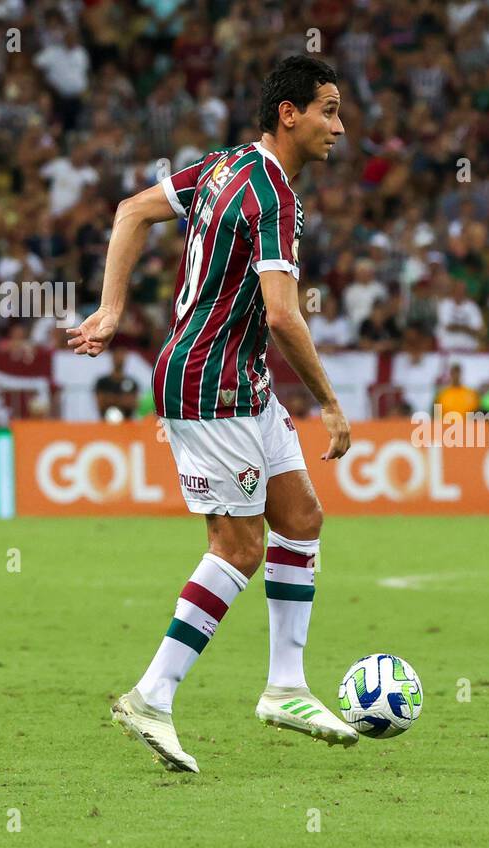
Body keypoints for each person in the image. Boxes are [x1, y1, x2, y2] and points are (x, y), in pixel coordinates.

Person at [67, 55, 357, 770]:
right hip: (209, 383)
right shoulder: (276, 199)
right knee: (238, 548)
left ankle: (285, 687)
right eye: (328, 110)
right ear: (288, 113)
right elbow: (285, 316)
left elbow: (131, 210)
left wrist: (111, 309)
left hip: (241, 380)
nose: (340, 128)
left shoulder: (226, 165)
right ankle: (152, 696)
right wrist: (329, 401)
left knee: (301, 520)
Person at [94, 349, 140, 420]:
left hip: (127, 425)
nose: (120, 358)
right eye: (117, 355)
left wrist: (110, 399)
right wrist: (123, 400)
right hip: (106, 424)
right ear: (112, 357)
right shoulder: (102, 382)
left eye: (122, 355)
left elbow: (133, 404)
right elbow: (100, 404)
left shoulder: (132, 382)